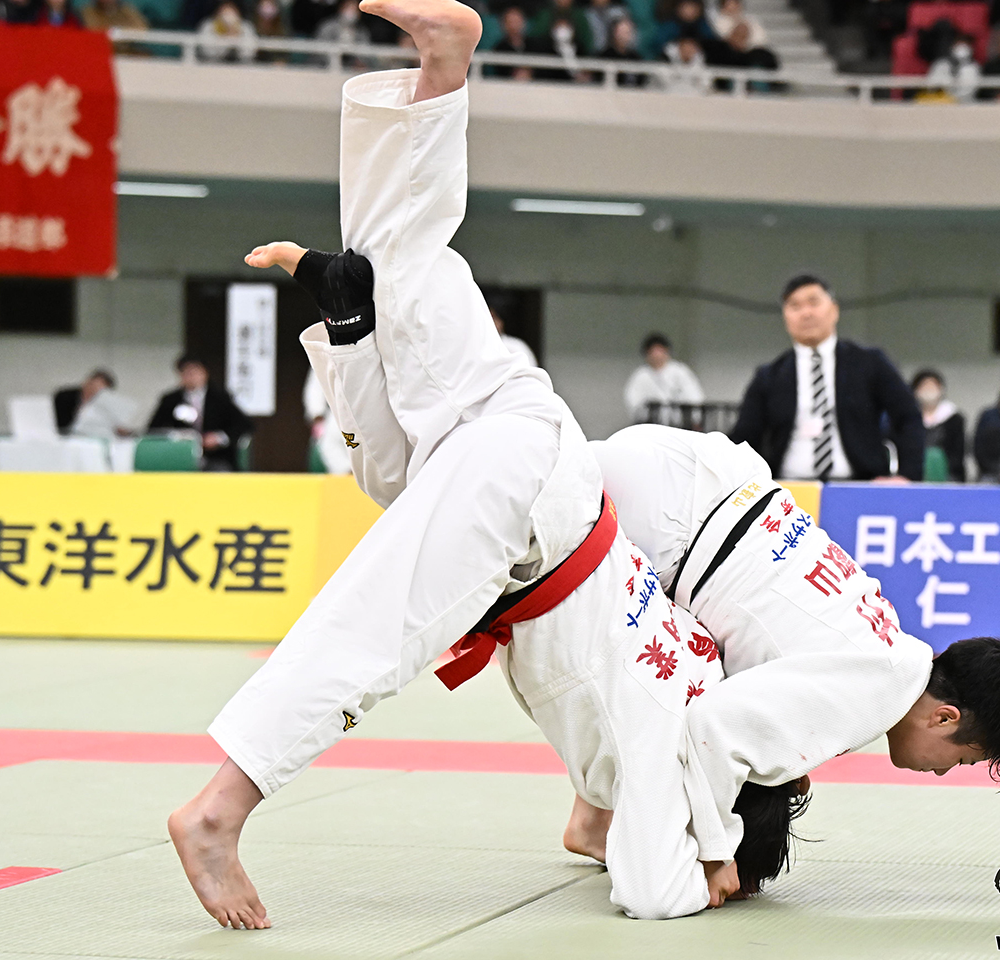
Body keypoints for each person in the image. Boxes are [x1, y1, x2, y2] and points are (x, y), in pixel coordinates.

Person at [168, 11, 804, 925]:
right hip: (528, 513)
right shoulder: (682, 745)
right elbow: (651, 893)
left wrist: (659, 827)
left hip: (524, 458)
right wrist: (710, 864)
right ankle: (218, 810)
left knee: (395, 272)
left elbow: (587, 832)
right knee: (373, 627)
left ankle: (356, 305)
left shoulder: (667, 715)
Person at [566, 422, 1000, 866]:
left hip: (706, 476)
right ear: (945, 717)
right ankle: (613, 830)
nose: (941, 773)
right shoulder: (875, 689)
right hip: (664, 518)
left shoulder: (891, 645)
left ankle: (593, 822)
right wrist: (716, 859)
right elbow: (711, 726)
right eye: (961, 760)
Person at [730, 274, 925, 482]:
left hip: (860, 485)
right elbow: (745, 435)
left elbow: (908, 417)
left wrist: (907, 476)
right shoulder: (769, 376)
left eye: (814, 303)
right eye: (795, 306)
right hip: (788, 489)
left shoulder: (870, 363)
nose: (806, 313)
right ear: (785, 317)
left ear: (834, 310)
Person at [147, 355, 253, 470]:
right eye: (186, 372)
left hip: (217, 456)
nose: (191, 376)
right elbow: (153, 429)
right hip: (179, 456)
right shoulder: (171, 400)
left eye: (195, 371)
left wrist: (219, 438)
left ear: (205, 373)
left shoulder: (220, 397)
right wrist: (176, 437)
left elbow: (245, 425)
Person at [624, 332, 705, 422]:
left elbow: (694, 396)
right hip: (652, 425)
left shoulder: (680, 371)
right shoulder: (640, 376)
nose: (657, 355)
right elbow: (634, 402)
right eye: (653, 351)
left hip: (681, 424)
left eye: (660, 350)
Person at [912, 369, 965, 481]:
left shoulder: (953, 418)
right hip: (915, 472)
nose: (929, 390)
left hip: (948, 474)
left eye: (933, 385)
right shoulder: (909, 417)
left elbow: (958, 453)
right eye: (925, 385)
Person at [53, 369, 115, 434]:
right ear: (86, 382)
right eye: (93, 386)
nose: (94, 391)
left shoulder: (104, 406)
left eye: (100, 391)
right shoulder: (64, 397)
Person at [598, 17, 651, 87]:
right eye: (622, 32)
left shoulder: (636, 58)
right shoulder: (603, 56)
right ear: (614, 32)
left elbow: (642, 82)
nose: (625, 36)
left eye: (628, 32)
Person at [80, 0, 148, 30]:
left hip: (126, 52)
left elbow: (141, 29)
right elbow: (93, 30)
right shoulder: (87, 12)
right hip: (99, 51)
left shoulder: (127, 11)